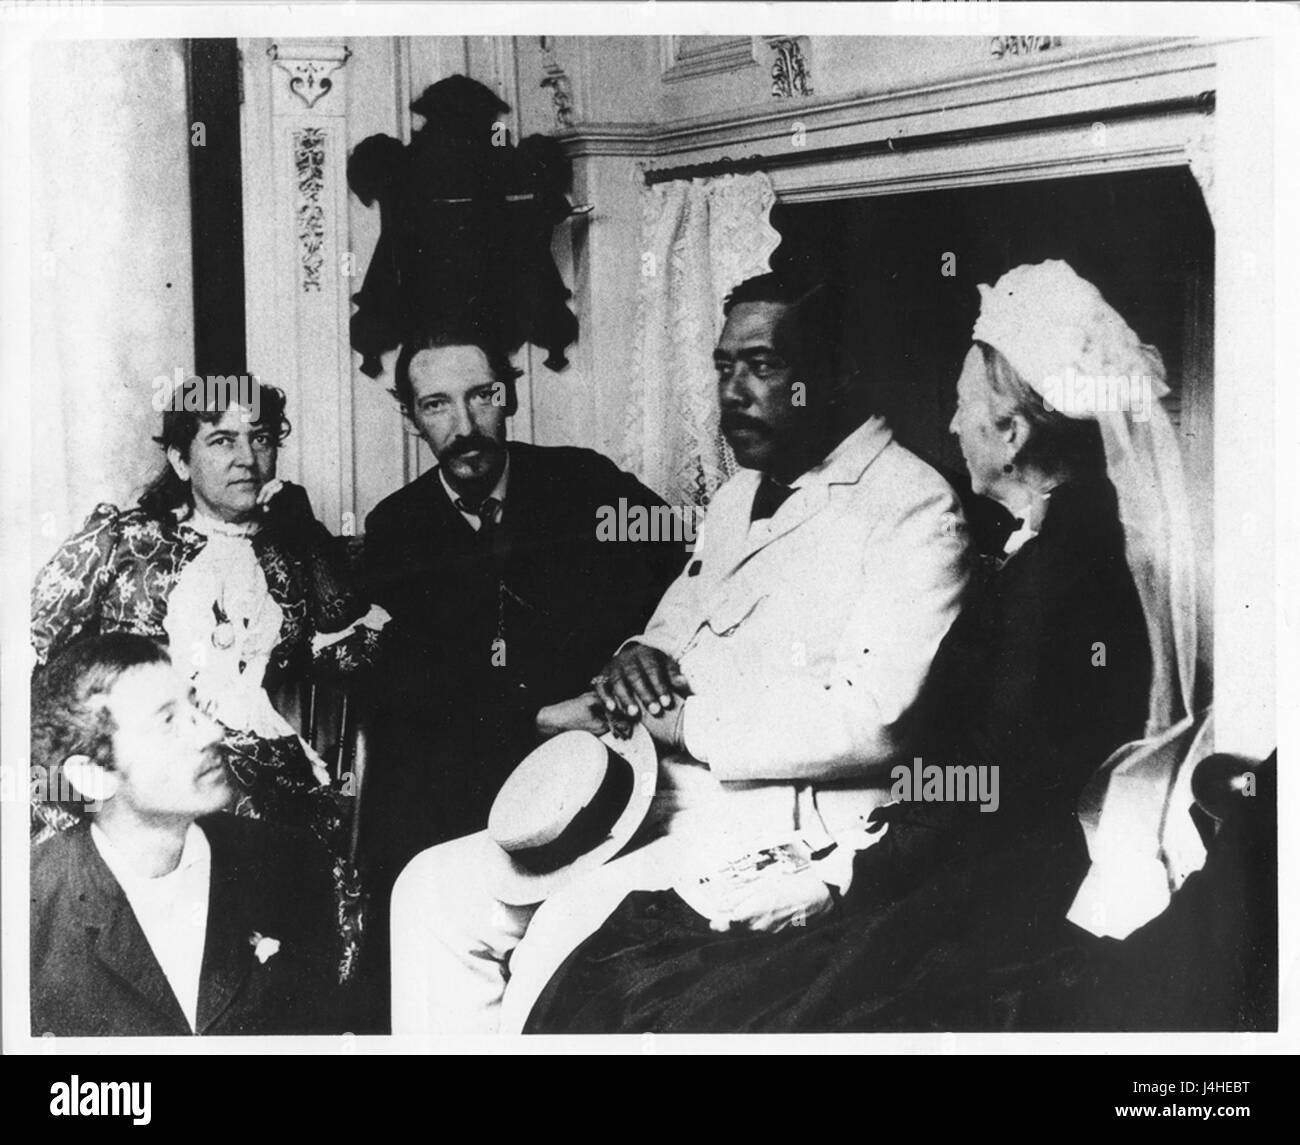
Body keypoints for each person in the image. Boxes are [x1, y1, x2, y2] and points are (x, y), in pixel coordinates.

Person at [525, 259, 1186, 1033]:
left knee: (661, 986)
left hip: (976, 892)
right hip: (945, 857)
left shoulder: (1055, 582)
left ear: (1010, 433)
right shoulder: (1062, 549)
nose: (948, 427)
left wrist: (838, 878)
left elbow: (990, 785)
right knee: (637, 964)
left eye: (962, 407)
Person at [389, 275, 971, 1035]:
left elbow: (877, 719)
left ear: (828, 374)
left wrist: (686, 723)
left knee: (563, 940)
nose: (734, 391)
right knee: (431, 890)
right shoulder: (740, 496)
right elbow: (674, 625)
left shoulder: (911, 505)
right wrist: (636, 652)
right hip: (651, 792)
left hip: (777, 820)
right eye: (724, 367)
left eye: (762, 365)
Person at [31, 377, 386, 979]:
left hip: (266, 775)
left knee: (290, 924)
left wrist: (305, 533)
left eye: (262, 439)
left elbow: (354, 642)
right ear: (179, 458)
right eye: (222, 440)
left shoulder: (292, 552)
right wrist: (58, 779)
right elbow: (39, 651)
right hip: (137, 768)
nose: (247, 458)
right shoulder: (125, 539)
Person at [359, 329, 686, 893]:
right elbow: (418, 694)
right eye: (436, 404)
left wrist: (636, 649)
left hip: (612, 756)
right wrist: (531, 719)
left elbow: (687, 563)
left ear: (507, 396)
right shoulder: (396, 530)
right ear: (410, 417)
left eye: (482, 396)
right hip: (479, 775)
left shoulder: (588, 482)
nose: (464, 427)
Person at [30, 634, 342, 1036]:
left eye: (195, 705)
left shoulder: (292, 861)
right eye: (168, 721)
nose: (211, 733)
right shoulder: (28, 914)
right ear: (92, 775)